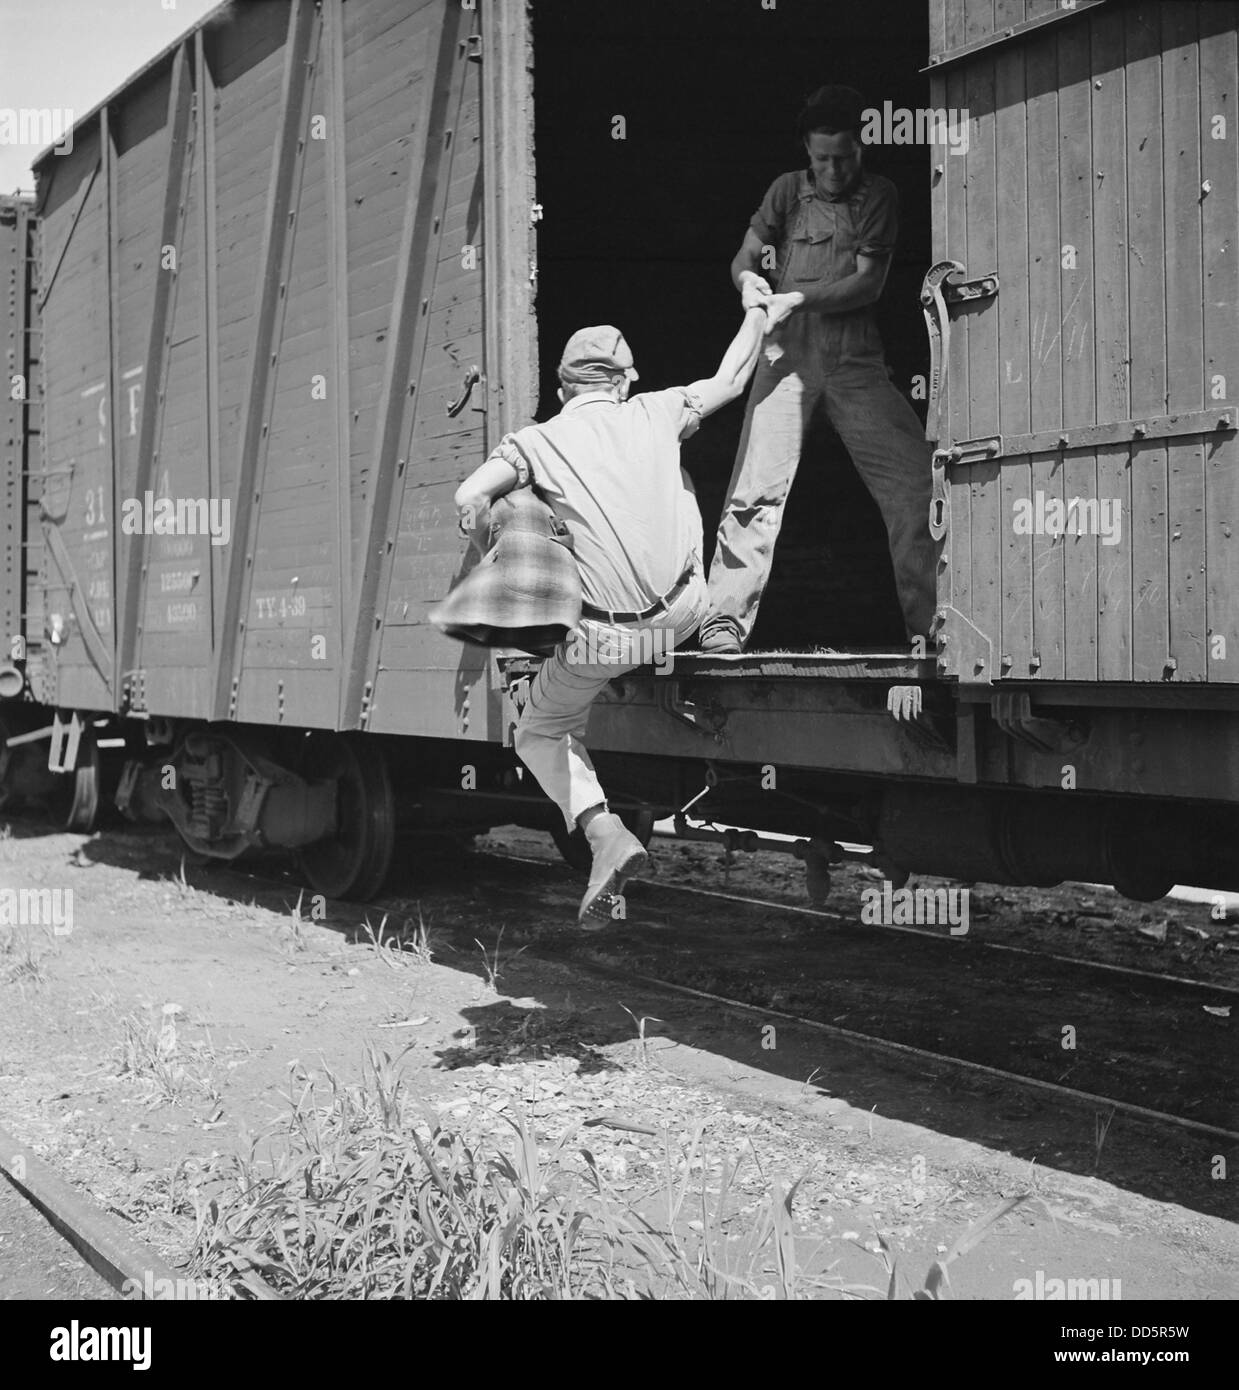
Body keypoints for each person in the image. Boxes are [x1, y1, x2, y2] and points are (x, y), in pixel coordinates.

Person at [453, 301, 792, 924]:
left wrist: (496, 560)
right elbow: (734, 378)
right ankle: (714, 621)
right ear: (626, 379)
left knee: (539, 731)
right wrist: (754, 311)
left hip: (604, 640)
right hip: (687, 611)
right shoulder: (657, 408)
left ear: (562, 389)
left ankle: (604, 832)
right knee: (677, 472)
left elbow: (469, 496)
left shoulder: (536, 439)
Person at [698, 84, 937, 653]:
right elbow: (745, 255)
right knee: (756, 488)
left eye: (845, 156)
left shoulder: (880, 196)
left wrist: (799, 297)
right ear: (807, 152)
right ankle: (724, 621)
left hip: (854, 358)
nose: (833, 170)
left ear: (863, 148)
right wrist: (747, 282)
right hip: (786, 356)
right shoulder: (786, 191)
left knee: (914, 485)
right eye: (822, 158)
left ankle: (932, 625)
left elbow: (868, 283)